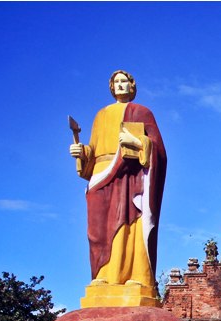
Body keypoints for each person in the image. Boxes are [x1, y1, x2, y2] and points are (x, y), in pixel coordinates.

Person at [70, 70, 166, 301]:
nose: (121, 85)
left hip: (129, 175)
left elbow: (159, 150)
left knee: (129, 223)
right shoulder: (100, 115)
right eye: (116, 82)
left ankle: (137, 275)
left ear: (132, 86)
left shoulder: (142, 112)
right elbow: (93, 150)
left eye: (125, 81)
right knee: (98, 228)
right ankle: (103, 275)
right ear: (111, 87)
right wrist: (81, 152)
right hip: (101, 174)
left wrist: (137, 142)